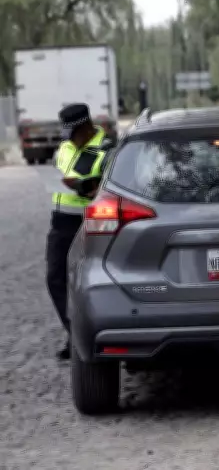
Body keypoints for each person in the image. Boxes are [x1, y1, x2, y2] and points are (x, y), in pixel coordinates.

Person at [47, 103, 111, 360]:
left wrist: (93, 190)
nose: (69, 139)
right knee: (55, 278)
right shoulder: (64, 147)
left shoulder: (107, 148)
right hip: (60, 221)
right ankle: (74, 333)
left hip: (89, 223)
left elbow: (108, 188)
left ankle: (85, 336)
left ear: (85, 126)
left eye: (73, 132)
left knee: (86, 282)